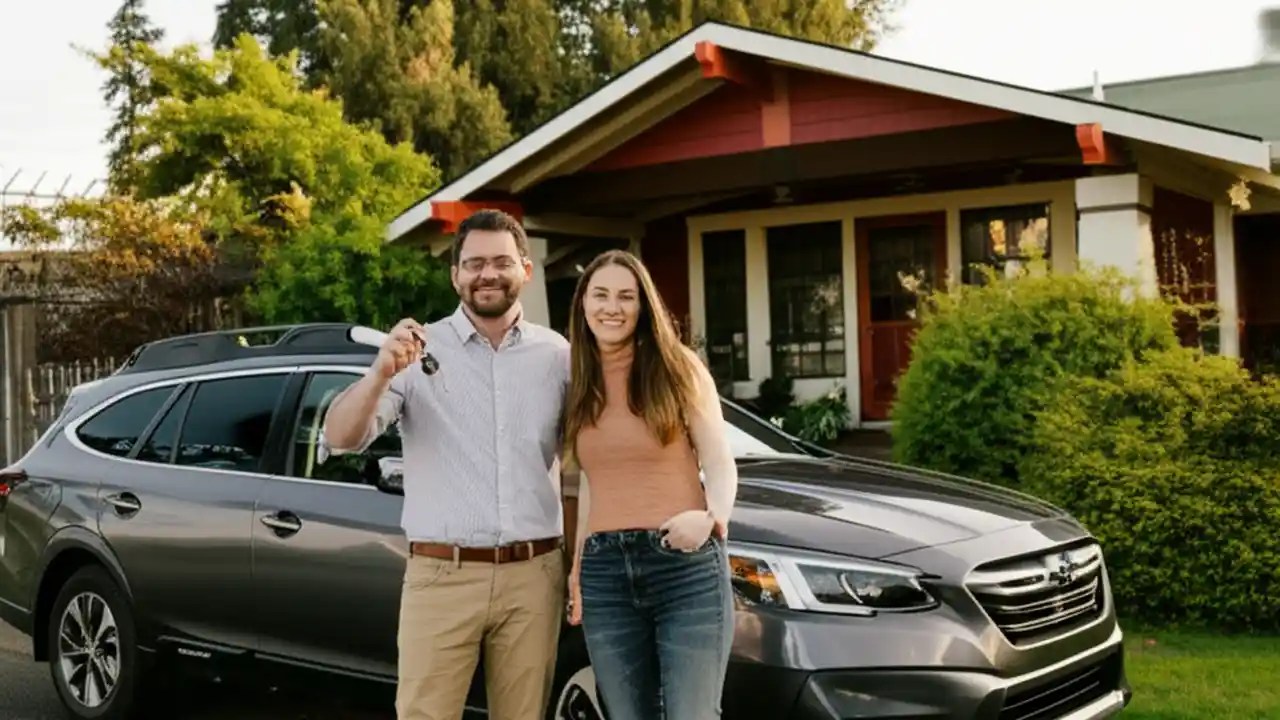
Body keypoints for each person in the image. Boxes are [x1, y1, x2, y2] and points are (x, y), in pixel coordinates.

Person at [321, 209, 570, 720]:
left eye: (501, 261)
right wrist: (379, 372)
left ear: (525, 269)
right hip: (442, 575)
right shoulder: (415, 352)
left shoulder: (558, 356)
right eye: (474, 263)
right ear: (455, 273)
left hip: (534, 575)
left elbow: (586, 462)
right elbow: (340, 437)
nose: (487, 274)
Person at [562, 249, 739, 720]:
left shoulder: (676, 366)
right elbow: (591, 486)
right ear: (583, 304)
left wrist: (711, 518)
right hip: (605, 575)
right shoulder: (578, 379)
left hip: (683, 566)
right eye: (600, 295)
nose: (612, 307)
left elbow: (720, 461)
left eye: (626, 296)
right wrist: (578, 569)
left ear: (644, 307)